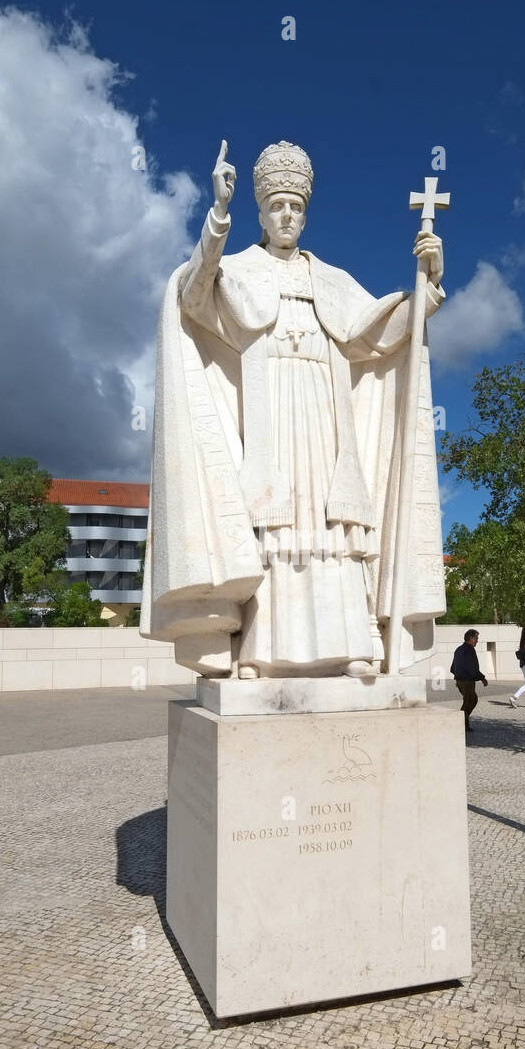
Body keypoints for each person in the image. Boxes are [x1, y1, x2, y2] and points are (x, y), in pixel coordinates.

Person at [141, 141, 449, 679]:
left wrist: (429, 283)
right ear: (260, 212)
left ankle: (354, 645)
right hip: (270, 418)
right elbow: (193, 297)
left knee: (330, 529)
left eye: (296, 207)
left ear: (306, 214)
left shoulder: (329, 280)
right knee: (275, 528)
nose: (287, 215)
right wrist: (218, 216)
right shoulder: (236, 271)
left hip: (326, 421)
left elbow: (381, 337)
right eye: (277, 205)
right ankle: (258, 650)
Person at [450, 629, 488, 732]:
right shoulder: (470, 650)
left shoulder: (458, 649)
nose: (477, 640)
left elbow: (453, 668)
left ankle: (464, 722)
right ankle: (460, 722)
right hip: (467, 681)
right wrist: (482, 678)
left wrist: (458, 678)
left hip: (460, 680)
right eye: (476, 638)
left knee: (471, 700)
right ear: (471, 638)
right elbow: (473, 668)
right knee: (469, 702)